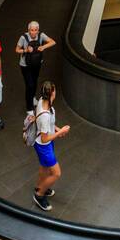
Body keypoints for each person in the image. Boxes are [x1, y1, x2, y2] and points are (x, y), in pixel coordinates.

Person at [31, 80, 70, 212]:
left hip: (44, 144)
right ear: (51, 94)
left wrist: (58, 130)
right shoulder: (45, 116)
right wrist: (61, 132)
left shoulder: (42, 101)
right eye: (54, 91)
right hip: (44, 147)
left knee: (45, 167)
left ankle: (39, 186)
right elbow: (45, 137)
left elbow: (49, 127)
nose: (55, 92)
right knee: (56, 173)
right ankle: (39, 195)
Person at [16, 20, 55, 110]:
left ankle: (33, 98)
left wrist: (43, 47)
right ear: (28, 30)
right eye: (31, 30)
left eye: (35, 30)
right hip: (25, 65)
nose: (33, 32)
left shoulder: (41, 35)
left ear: (38, 30)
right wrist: (25, 50)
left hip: (37, 63)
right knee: (29, 85)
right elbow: (17, 50)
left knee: (34, 81)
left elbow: (53, 42)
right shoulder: (23, 37)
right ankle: (29, 108)